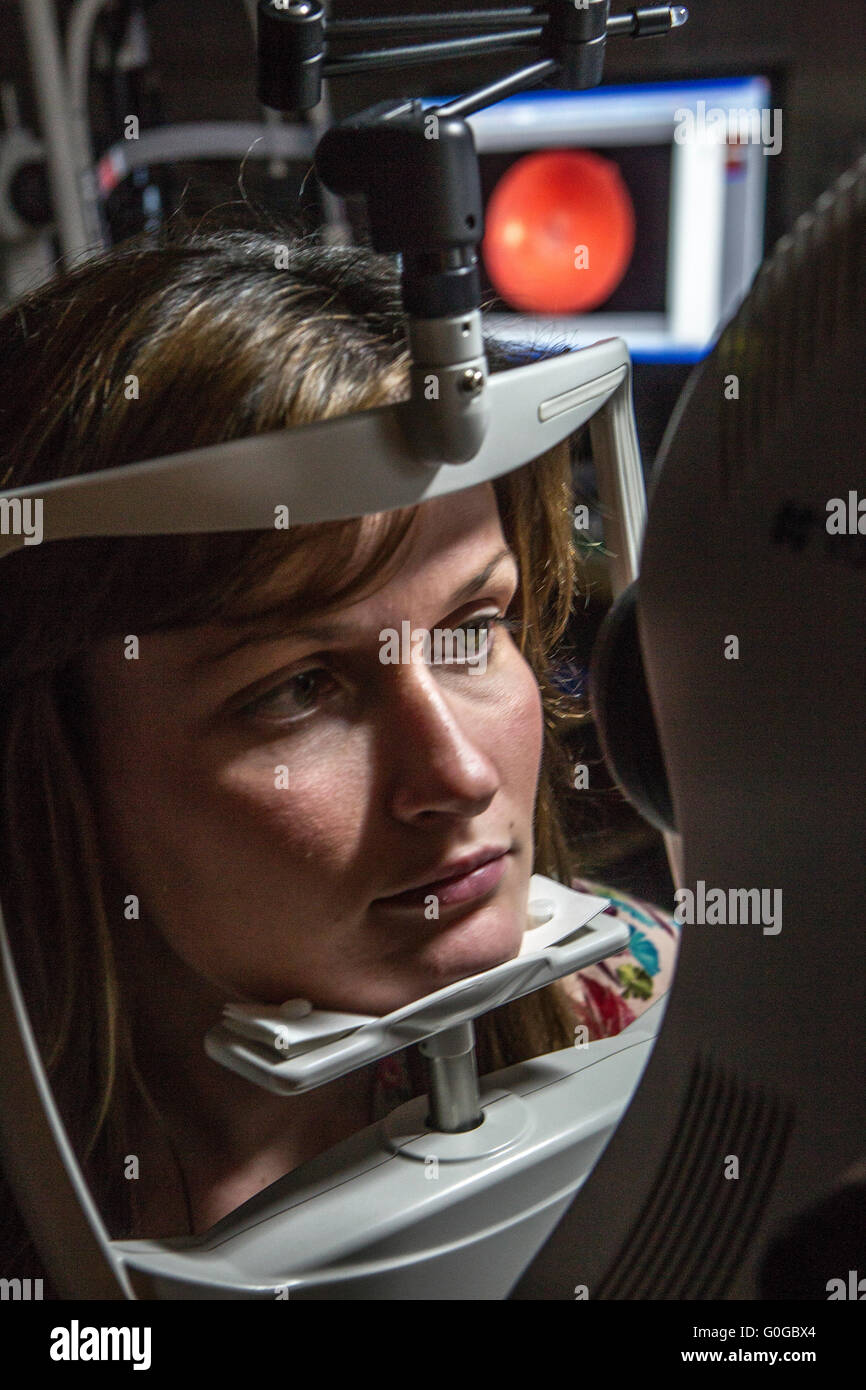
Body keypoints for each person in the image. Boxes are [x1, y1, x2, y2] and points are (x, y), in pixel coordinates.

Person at [0, 217, 679, 1294]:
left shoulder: (649, 1002)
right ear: (54, 762)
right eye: (297, 689)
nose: (456, 776)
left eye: (471, 628)